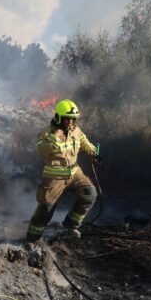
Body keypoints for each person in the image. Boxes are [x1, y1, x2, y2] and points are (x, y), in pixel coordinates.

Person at [26, 99, 100, 242]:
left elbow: (83, 140)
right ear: (58, 117)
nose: (70, 122)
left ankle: (71, 225)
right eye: (67, 119)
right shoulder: (46, 133)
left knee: (90, 194)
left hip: (74, 173)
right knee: (46, 209)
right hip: (55, 176)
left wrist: (92, 150)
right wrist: (55, 137)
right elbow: (41, 149)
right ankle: (33, 236)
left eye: (73, 119)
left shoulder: (75, 130)